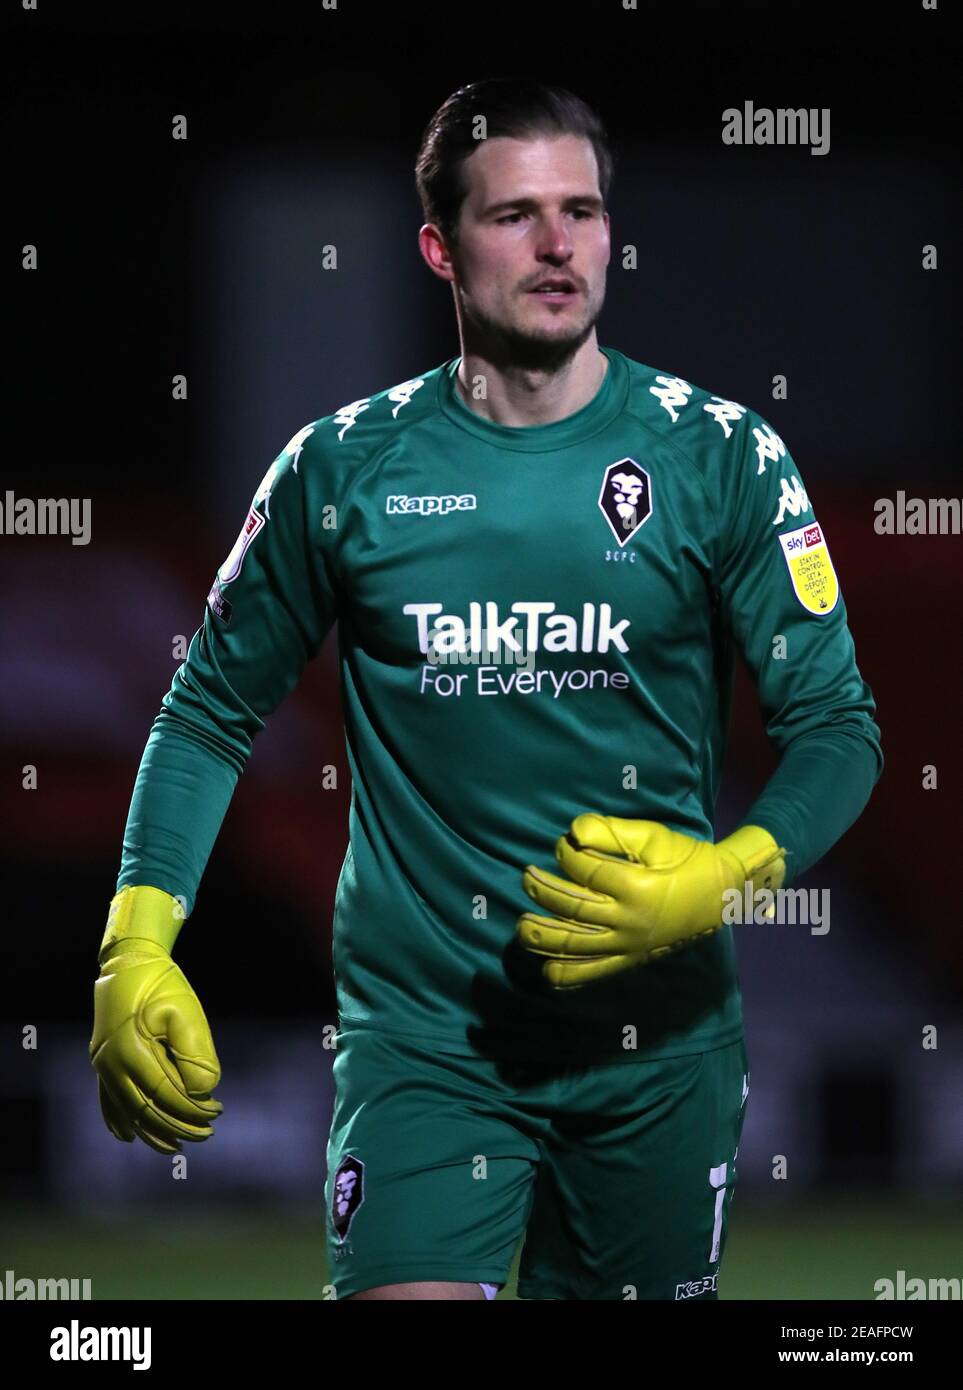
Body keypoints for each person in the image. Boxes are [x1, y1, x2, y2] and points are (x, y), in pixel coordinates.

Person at [90, 77, 882, 1301]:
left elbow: (837, 727)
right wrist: (134, 947)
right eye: (516, 215)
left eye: (583, 209)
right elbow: (206, 711)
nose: (560, 243)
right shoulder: (342, 468)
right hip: (426, 1041)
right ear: (438, 247)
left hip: (655, 1049)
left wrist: (731, 872)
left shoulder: (722, 455)